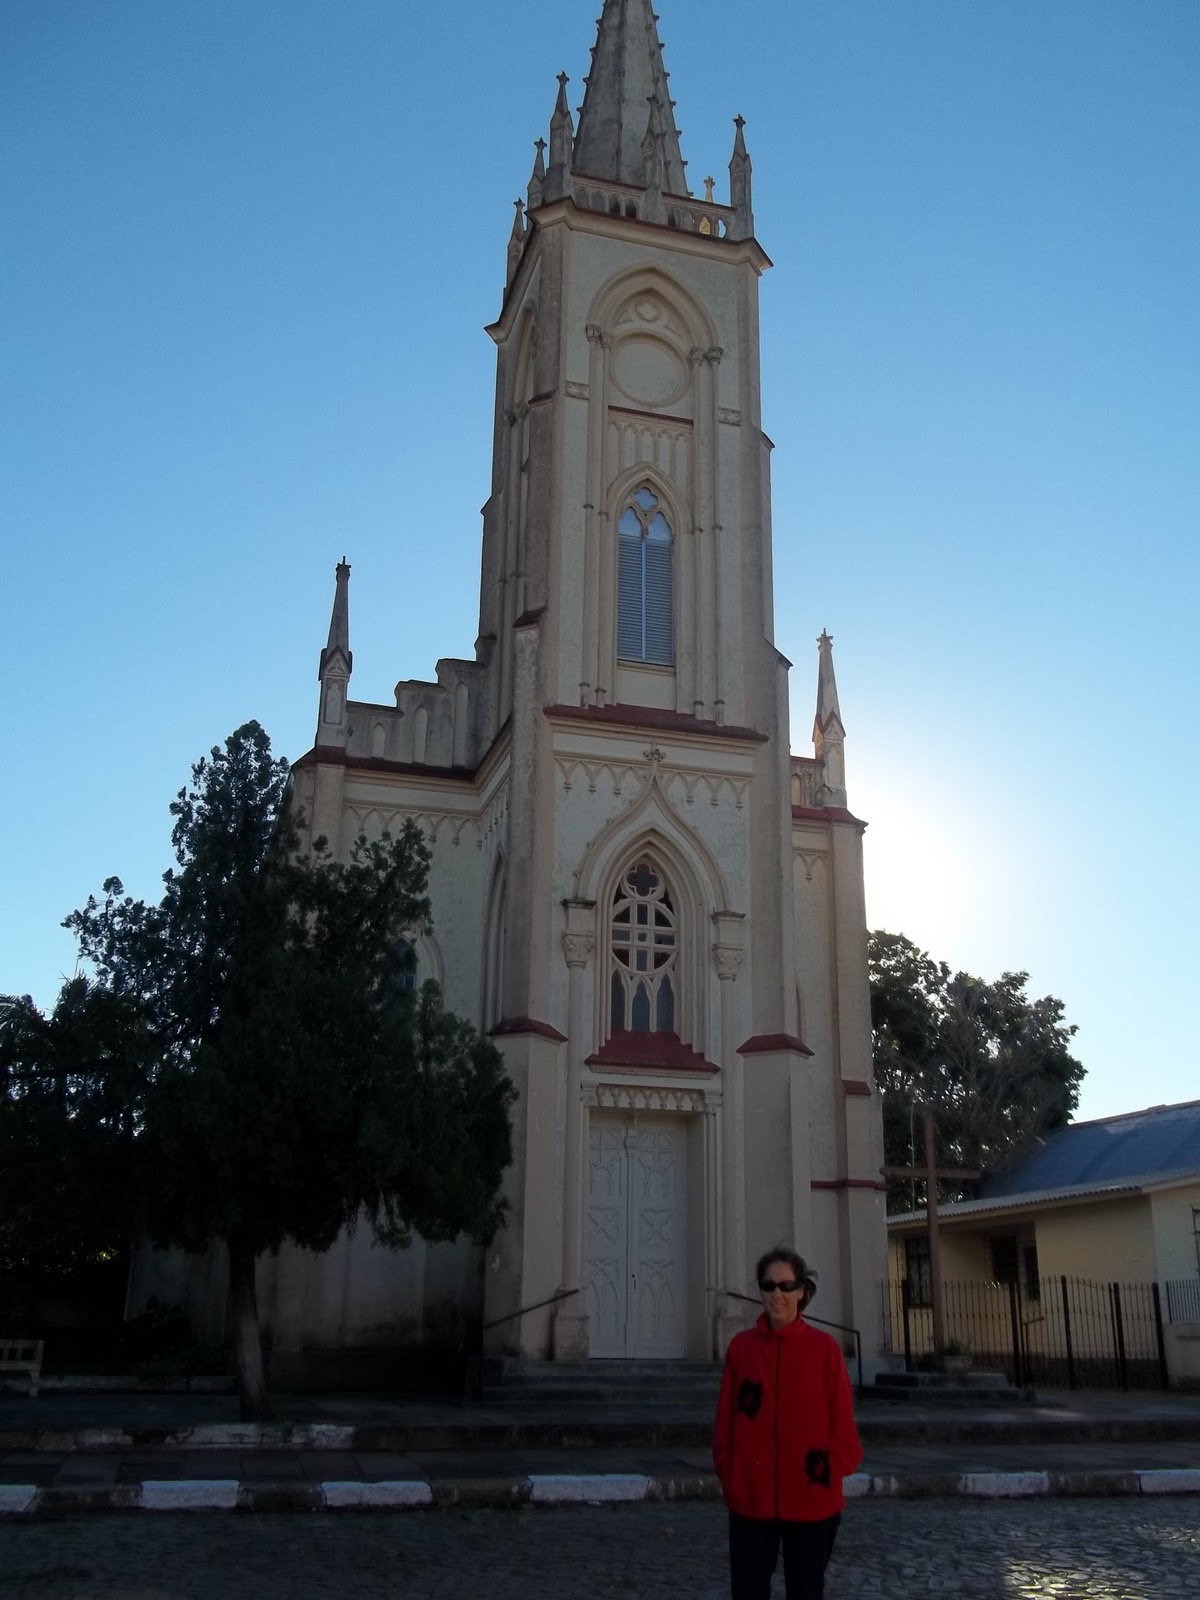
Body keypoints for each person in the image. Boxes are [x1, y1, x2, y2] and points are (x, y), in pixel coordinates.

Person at [712, 1246, 862, 1600]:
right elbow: (726, 1420)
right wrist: (729, 1469)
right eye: (768, 1285)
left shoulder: (824, 1350)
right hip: (751, 1499)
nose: (777, 1294)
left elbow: (842, 1423)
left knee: (806, 1591)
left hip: (811, 1499)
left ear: (801, 1292)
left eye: (786, 1285)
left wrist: (828, 1473)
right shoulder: (742, 1349)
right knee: (747, 1590)